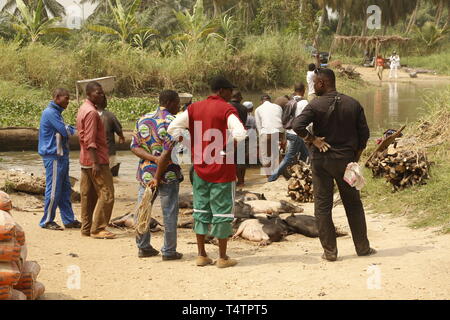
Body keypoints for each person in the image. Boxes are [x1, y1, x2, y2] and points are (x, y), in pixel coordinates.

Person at [292, 68, 376, 261]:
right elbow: (364, 135)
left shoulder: (315, 105)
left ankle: (330, 252)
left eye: (314, 82)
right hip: (346, 162)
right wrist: (355, 156)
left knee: (322, 207)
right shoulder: (353, 103)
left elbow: (297, 125)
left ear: (322, 83)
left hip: (322, 162)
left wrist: (313, 140)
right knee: (353, 205)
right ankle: (363, 249)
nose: (313, 86)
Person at [167, 76, 246, 268]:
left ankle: (201, 255)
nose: (231, 94)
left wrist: (186, 143)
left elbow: (172, 128)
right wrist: (225, 148)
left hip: (200, 168)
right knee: (222, 212)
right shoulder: (227, 109)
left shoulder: (194, 108)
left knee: (201, 209)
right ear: (222, 91)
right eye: (229, 90)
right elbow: (240, 133)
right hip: (222, 170)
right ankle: (222, 257)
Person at [131, 90, 183, 260]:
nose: (179, 106)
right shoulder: (174, 122)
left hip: (146, 173)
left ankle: (143, 246)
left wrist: (152, 159)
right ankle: (169, 251)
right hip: (167, 175)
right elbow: (167, 154)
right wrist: (158, 172)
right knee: (169, 212)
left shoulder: (143, 119)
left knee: (143, 209)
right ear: (170, 102)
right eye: (177, 102)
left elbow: (134, 146)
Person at [76, 81, 116, 239]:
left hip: (84, 159)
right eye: (98, 93)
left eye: (102, 93)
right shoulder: (92, 112)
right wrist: (95, 163)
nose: (101, 95)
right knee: (107, 194)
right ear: (89, 94)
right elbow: (90, 140)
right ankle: (98, 228)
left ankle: (86, 227)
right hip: (96, 159)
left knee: (88, 195)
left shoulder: (82, 109)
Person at [38, 88, 81, 230]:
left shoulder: (56, 113)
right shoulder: (50, 113)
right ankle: (47, 220)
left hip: (61, 156)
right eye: (66, 98)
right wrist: (77, 131)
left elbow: (65, 128)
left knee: (64, 190)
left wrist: (72, 129)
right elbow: (64, 130)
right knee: (54, 190)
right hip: (54, 157)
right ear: (57, 97)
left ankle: (68, 220)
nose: (68, 101)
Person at [268, 83, 310, 182]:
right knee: (288, 157)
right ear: (303, 90)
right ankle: (272, 177)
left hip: (290, 132)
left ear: (294, 90)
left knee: (305, 154)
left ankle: (301, 172)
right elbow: (307, 119)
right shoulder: (304, 103)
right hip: (298, 133)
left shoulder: (290, 101)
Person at [255, 95, 285, 178]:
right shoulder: (278, 107)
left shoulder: (258, 109)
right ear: (270, 100)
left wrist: (260, 139)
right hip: (279, 133)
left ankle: (269, 177)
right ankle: (278, 175)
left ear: (261, 101)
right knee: (276, 154)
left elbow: (259, 127)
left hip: (266, 133)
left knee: (265, 156)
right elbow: (282, 121)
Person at [97, 102, 125, 171]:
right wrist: (122, 137)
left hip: (94, 151)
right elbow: (118, 130)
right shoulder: (110, 115)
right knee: (109, 173)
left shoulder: (90, 114)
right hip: (108, 149)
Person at [230, 91, 248, 186]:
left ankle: (234, 179)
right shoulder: (244, 108)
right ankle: (242, 180)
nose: (242, 98)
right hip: (241, 133)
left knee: (232, 159)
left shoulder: (227, 106)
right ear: (238, 97)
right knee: (241, 159)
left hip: (230, 134)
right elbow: (244, 121)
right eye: (241, 96)